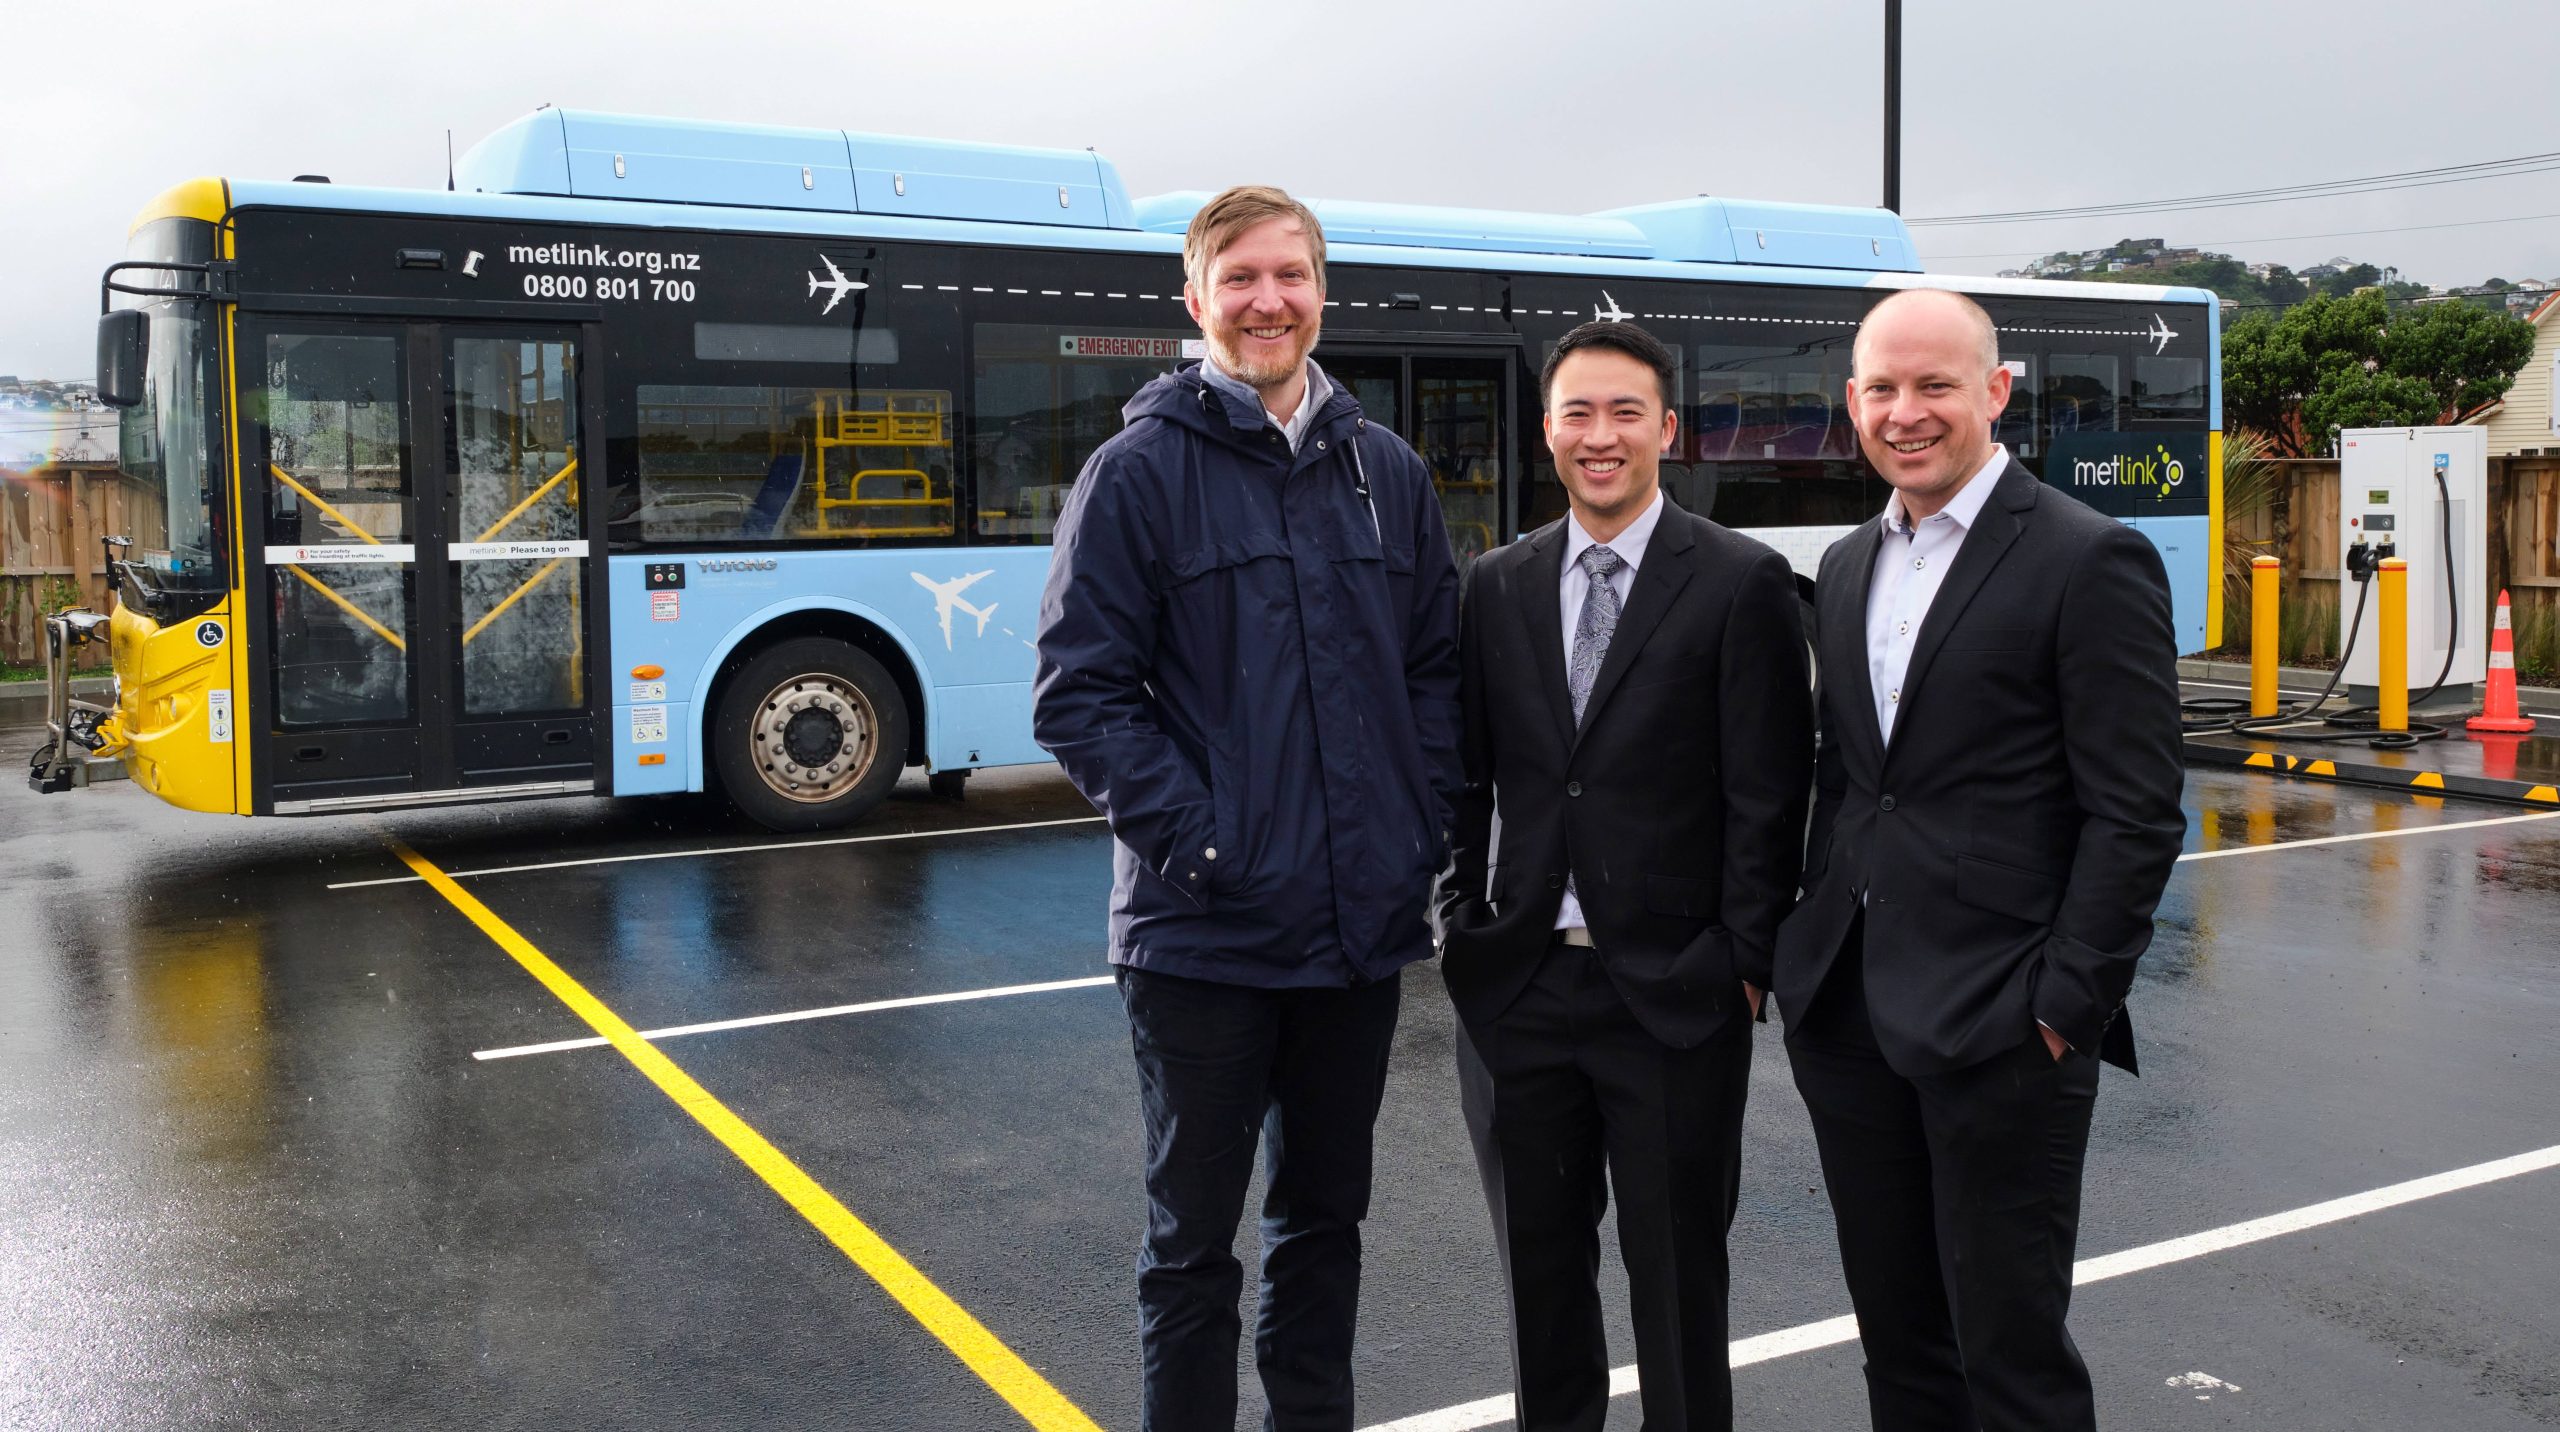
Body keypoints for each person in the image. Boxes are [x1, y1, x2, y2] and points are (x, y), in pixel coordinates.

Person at [1032, 184, 1462, 1432]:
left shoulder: (1385, 471)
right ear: (1195, 300)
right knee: (1192, 1250)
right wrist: (1207, 844)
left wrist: (1411, 832)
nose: (1266, 300)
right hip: (1201, 936)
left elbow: (1432, 674)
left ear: (1324, 291)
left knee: (1325, 1226)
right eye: (1239, 278)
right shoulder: (1135, 474)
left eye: (1290, 274)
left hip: (1356, 933)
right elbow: (1081, 697)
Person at [1775, 287, 2185, 1432]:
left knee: (2009, 1359)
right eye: (1882, 389)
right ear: (1852, 402)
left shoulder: (2088, 558)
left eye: (1934, 385)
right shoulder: (1849, 561)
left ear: (1995, 392)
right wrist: (1802, 949)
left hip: (2006, 1023)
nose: (1906, 412)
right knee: (1899, 1348)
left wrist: (2065, 1005)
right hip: (1851, 1012)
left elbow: (2138, 810)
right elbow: (1852, 779)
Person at [1437, 319, 1811, 1431]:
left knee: (1678, 1291)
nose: (1601, 437)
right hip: (1518, 992)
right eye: (1578, 413)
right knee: (1540, 1290)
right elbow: (1462, 777)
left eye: (1625, 412)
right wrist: (1463, 917)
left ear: (1666, 428)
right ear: (1547, 428)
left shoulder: (1741, 582)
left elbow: (1769, 793)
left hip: (1674, 999)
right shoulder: (1494, 584)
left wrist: (1741, 961)